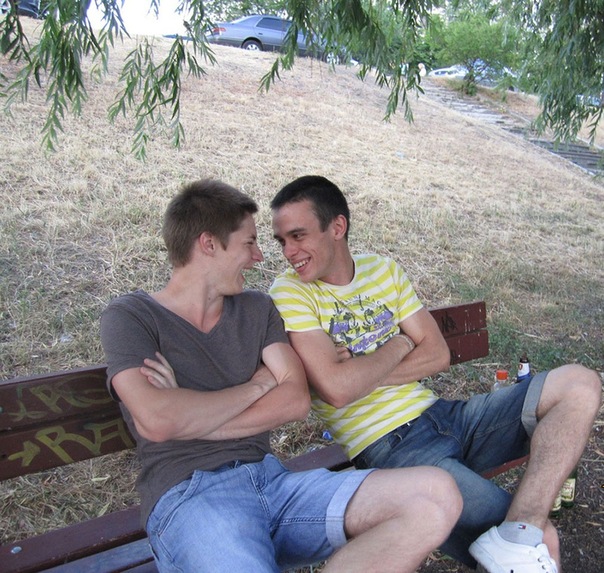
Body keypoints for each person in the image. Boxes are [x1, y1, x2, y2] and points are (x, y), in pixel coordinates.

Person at [100, 179, 462, 573]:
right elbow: (157, 419)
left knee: (436, 495)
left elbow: (295, 401)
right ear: (208, 244)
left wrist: (186, 418)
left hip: (274, 484)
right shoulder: (132, 317)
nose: (259, 256)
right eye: (249, 243)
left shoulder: (256, 309)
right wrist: (258, 385)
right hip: (190, 496)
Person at [269, 175, 602, 573]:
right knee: (545, 542)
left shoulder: (383, 270)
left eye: (298, 236)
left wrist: (361, 371)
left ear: (337, 226)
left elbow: (438, 354)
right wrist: (401, 343)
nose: (288, 252)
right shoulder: (290, 292)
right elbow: (339, 391)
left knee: (580, 384)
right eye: (281, 241)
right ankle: (524, 539)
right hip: (392, 447)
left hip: (445, 416)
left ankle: (521, 528)